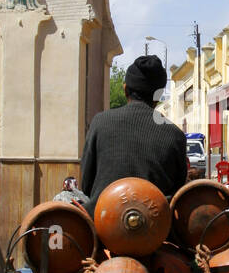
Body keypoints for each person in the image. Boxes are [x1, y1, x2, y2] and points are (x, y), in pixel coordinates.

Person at [80, 54, 187, 212]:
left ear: (125, 89)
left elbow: (86, 184)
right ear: (158, 96)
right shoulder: (175, 135)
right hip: (156, 229)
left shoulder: (100, 122)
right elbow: (178, 191)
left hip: (102, 223)